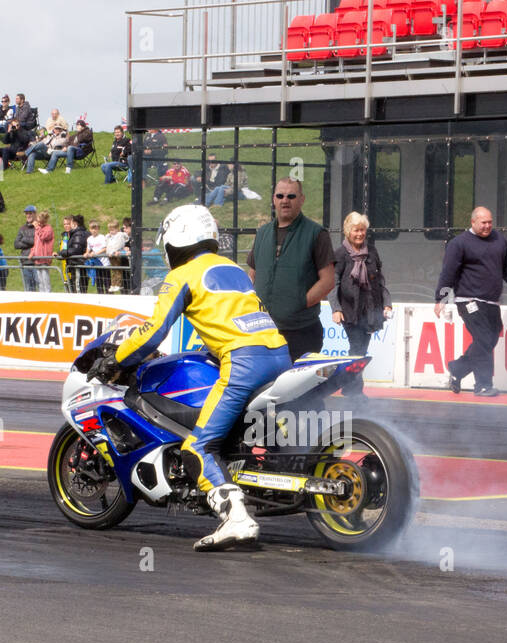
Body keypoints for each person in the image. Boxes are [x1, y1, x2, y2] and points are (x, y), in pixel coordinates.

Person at [94, 205, 290, 551]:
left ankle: (236, 517)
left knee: (198, 445)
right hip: (279, 354)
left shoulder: (181, 275)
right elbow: (229, 316)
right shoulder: (230, 268)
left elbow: (154, 332)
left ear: (175, 241)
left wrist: (117, 360)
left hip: (243, 363)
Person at [433, 206, 507, 397]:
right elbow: (448, 272)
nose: (487, 226)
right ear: (473, 222)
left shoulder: (499, 240)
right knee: (483, 339)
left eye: (490, 222)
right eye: (483, 222)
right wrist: (440, 298)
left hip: (491, 301)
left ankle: (457, 369)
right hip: (468, 300)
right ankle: (483, 385)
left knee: (490, 339)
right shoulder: (459, 243)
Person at [247, 177, 336, 361]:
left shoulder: (316, 234)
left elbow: (327, 281)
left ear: (301, 199)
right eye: (280, 196)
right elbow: (253, 273)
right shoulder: (262, 233)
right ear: (274, 199)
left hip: (301, 333)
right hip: (264, 333)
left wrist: (300, 303)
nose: (285, 200)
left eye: (291, 196)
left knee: (299, 390)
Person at [328, 212, 392, 398]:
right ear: (348, 231)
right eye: (356, 230)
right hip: (350, 311)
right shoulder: (340, 254)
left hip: (371, 310)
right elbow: (334, 283)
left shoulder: (371, 251)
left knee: (361, 351)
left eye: (362, 230)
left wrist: (387, 303)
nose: (360, 234)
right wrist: (336, 309)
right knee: (356, 350)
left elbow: (379, 280)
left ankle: (344, 384)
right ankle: (353, 389)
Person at [14, 205, 37, 292]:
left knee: (41, 288)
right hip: (26, 262)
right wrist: (30, 243)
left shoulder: (38, 227)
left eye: (30, 213)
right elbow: (16, 244)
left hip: (36, 262)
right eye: (26, 214)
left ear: (35, 214)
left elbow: (37, 242)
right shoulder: (22, 228)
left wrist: (24, 239)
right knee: (28, 289)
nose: (28, 215)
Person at [31, 211, 55, 293]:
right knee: (40, 281)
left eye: (39, 221)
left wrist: (37, 227)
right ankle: (42, 297)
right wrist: (32, 253)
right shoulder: (38, 229)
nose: (37, 222)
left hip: (44, 258)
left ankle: (48, 296)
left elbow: (43, 237)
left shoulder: (48, 229)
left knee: (45, 280)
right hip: (37, 258)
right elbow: (35, 243)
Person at [82, 221, 108, 293]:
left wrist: (96, 253)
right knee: (99, 283)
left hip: (104, 263)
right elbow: (89, 248)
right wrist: (87, 253)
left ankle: (109, 297)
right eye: (92, 229)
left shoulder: (102, 237)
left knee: (107, 283)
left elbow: (105, 248)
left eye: (95, 229)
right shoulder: (89, 239)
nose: (94, 230)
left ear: (98, 229)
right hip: (96, 264)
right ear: (90, 229)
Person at [105, 219, 129, 293]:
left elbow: (121, 243)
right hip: (111, 255)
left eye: (113, 230)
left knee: (118, 270)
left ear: (117, 229)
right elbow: (108, 244)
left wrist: (115, 251)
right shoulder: (110, 237)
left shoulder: (120, 235)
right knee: (114, 270)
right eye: (110, 230)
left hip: (116, 254)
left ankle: (118, 284)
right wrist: (109, 252)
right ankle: (113, 284)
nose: (111, 231)